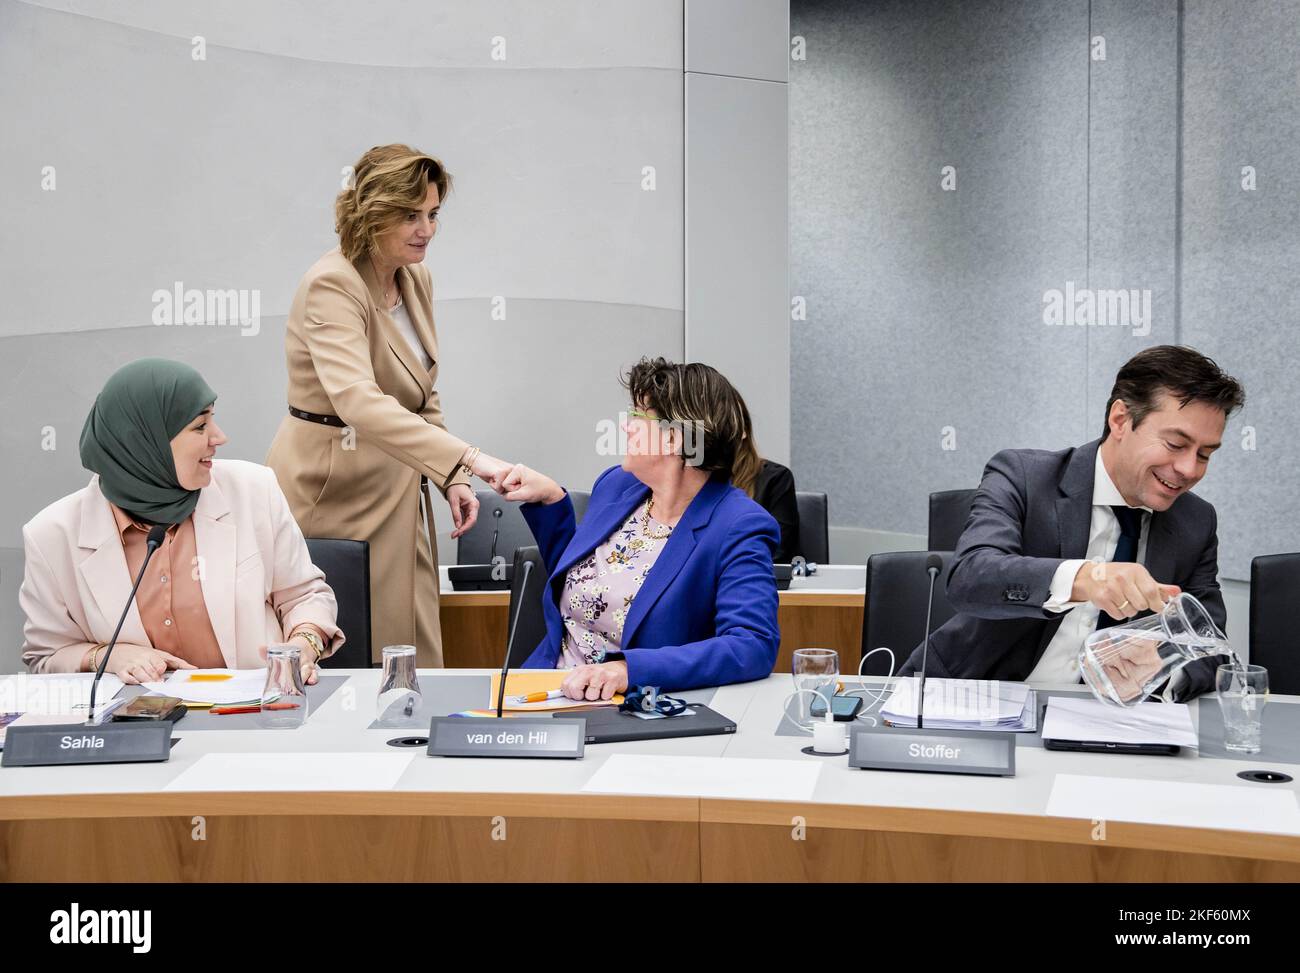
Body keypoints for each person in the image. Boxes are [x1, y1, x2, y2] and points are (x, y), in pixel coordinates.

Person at [265, 144, 511, 665]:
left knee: (413, 647)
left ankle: (411, 740)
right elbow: (358, 401)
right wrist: (469, 458)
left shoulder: (414, 277)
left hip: (399, 483)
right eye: (410, 215)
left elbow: (421, 391)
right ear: (372, 212)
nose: (427, 228)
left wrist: (453, 479)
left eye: (433, 213)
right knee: (341, 646)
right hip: (333, 488)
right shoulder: (332, 282)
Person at [900, 345, 1245, 702]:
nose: (1189, 469)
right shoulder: (1023, 477)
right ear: (1121, 420)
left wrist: (1164, 669)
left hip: (1116, 720)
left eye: (1205, 454)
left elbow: (1212, 647)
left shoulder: (1196, 521)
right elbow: (970, 577)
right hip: (982, 698)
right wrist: (1085, 579)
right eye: (1175, 444)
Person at [21, 359, 342, 685]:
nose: (219, 437)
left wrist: (304, 643)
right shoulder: (50, 535)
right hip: (136, 728)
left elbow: (305, 597)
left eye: (212, 421)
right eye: (200, 426)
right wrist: (106, 655)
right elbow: (44, 656)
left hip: (258, 713)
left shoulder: (253, 491)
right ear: (145, 442)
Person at [497, 358, 781, 698]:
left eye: (637, 416)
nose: (625, 427)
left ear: (677, 437)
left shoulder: (739, 524)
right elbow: (584, 583)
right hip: (544, 690)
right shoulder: (616, 485)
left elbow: (750, 646)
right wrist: (551, 501)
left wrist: (628, 669)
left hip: (635, 709)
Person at [730, 404, 800, 561]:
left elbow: (780, 549)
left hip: (757, 575)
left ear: (743, 431)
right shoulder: (698, 480)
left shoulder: (776, 478)